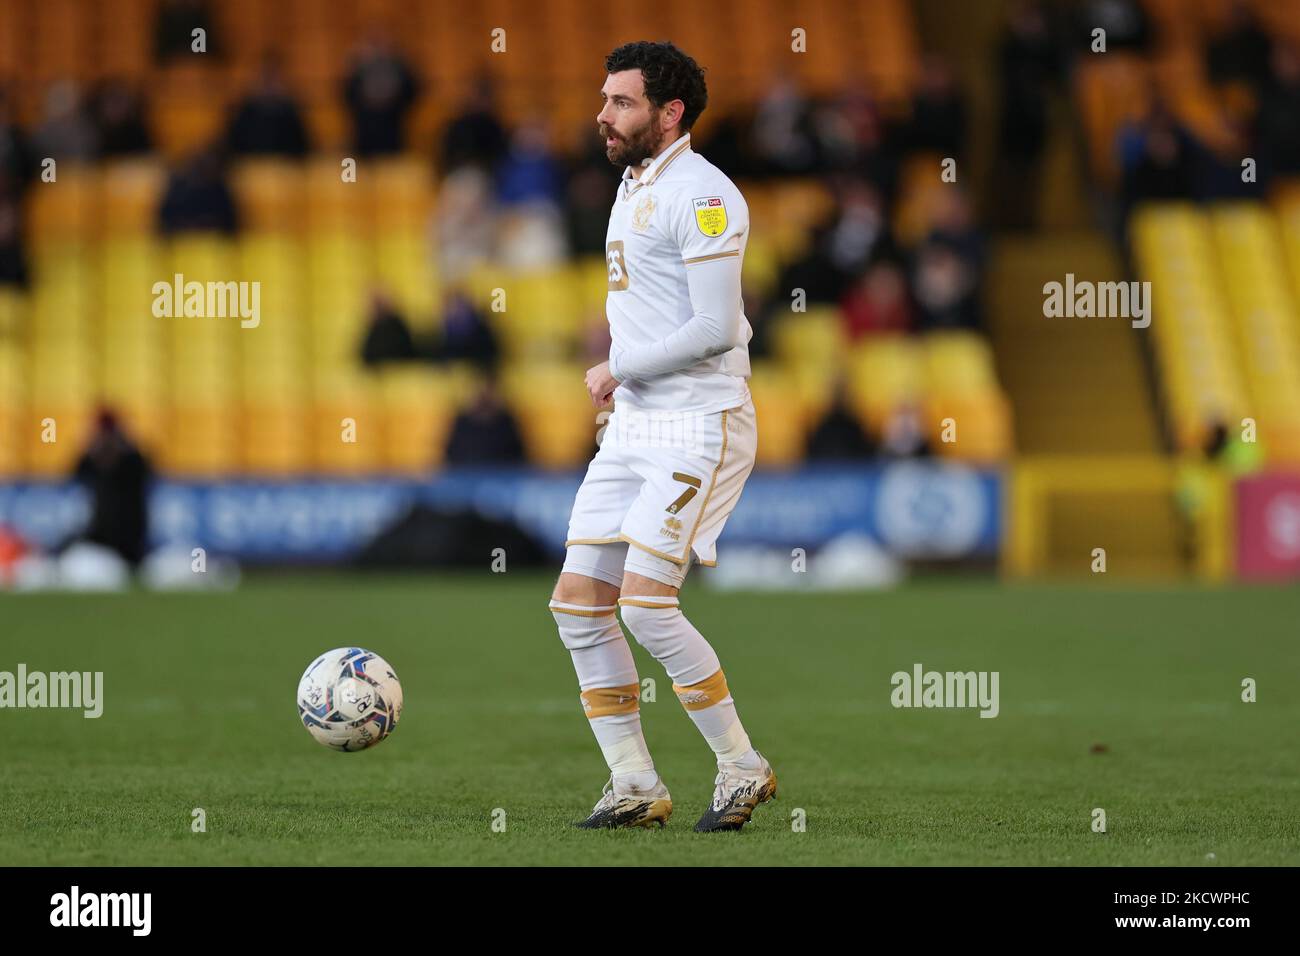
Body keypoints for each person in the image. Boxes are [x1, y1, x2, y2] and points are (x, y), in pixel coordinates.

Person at [550, 41, 775, 834]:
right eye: (604, 99)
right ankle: (634, 783)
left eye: (620, 102)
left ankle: (742, 767)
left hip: (697, 420)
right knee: (578, 605)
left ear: (669, 112)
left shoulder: (706, 195)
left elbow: (720, 327)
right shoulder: (633, 182)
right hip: (636, 423)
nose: (602, 115)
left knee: (646, 608)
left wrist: (618, 366)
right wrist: (624, 387)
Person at [71, 410, 153, 566]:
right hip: (100, 532)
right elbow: (76, 472)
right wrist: (92, 449)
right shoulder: (92, 459)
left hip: (129, 534)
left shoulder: (132, 458)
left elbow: (146, 472)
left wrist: (121, 448)